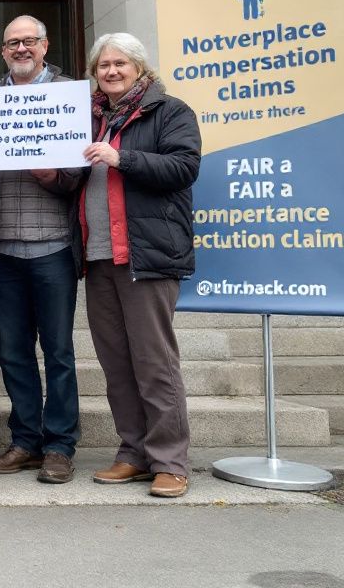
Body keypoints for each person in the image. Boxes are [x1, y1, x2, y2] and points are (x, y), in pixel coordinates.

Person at [79, 32, 200, 498]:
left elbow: (184, 168)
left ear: (139, 69)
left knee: (154, 361)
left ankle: (170, 461)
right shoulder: (89, 117)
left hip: (145, 255)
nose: (110, 72)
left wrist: (121, 157)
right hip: (98, 256)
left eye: (119, 64)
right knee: (116, 363)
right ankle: (133, 452)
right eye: (103, 65)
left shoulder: (170, 112)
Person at [0, 15, 85, 484]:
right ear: (2, 52)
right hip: (0, 245)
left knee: (58, 351)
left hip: (53, 245)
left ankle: (60, 445)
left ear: (44, 46)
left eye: (28, 42)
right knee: (13, 353)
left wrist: (54, 175)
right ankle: (25, 440)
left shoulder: (68, 95)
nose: (20, 49)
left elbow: (81, 175)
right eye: (11, 43)